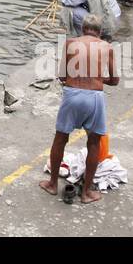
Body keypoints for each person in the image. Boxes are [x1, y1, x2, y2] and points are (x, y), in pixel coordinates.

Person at [40, 14, 119, 204]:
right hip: (95, 98)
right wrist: (98, 78)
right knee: (93, 143)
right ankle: (86, 193)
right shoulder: (107, 47)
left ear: (82, 29)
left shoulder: (70, 43)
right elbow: (115, 80)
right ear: (100, 33)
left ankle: (52, 185)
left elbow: (61, 76)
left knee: (60, 139)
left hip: (72, 95)